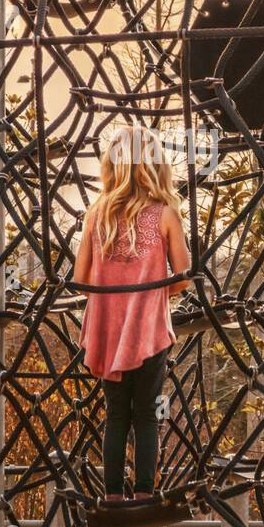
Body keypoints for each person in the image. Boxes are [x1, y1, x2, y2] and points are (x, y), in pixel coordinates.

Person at [74, 127, 191, 502]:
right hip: (148, 330)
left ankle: (111, 496)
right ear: (156, 166)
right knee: (146, 417)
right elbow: (183, 277)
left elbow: (81, 279)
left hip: (107, 330)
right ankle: (143, 494)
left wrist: (115, 292)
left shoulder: (97, 215)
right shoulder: (165, 214)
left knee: (115, 416)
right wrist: (151, 295)